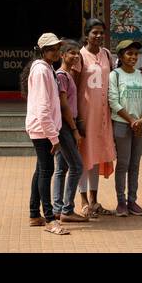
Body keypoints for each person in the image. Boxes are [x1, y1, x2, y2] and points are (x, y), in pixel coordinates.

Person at [23, 32, 69, 235]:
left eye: (57, 48)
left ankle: (35, 214)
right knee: (46, 171)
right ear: (43, 51)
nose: (56, 52)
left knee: (41, 169)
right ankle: (50, 218)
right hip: (43, 129)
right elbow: (42, 107)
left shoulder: (48, 68)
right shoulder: (42, 71)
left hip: (43, 128)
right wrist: (53, 137)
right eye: (52, 49)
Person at [77, 18, 117, 218]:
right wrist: (76, 119)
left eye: (101, 32)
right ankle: (83, 201)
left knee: (97, 156)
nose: (98, 36)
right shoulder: (79, 56)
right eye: (94, 32)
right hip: (86, 114)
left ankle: (94, 200)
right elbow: (73, 87)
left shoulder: (107, 54)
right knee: (85, 156)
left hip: (103, 115)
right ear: (86, 34)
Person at [108, 38, 142, 217]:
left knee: (135, 164)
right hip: (121, 124)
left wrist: (141, 118)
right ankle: (121, 202)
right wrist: (131, 120)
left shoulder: (141, 75)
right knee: (123, 164)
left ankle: (132, 201)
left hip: (139, 125)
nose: (133, 57)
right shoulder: (115, 75)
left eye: (135, 54)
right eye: (129, 53)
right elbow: (113, 101)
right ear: (121, 56)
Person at [51, 40, 87, 225]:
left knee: (62, 168)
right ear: (63, 55)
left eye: (77, 53)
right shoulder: (62, 76)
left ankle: (57, 209)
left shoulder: (67, 75)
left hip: (64, 125)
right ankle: (67, 210)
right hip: (65, 126)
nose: (75, 56)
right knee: (77, 166)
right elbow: (64, 104)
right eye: (71, 53)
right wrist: (74, 130)